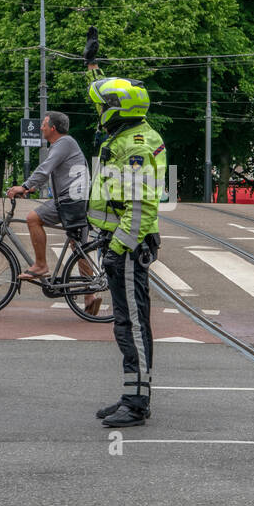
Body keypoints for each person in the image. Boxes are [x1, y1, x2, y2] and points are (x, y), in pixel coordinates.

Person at [88, 77, 167, 428]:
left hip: (129, 248)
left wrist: (118, 249)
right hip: (122, 244)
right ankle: (133, 394)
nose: (100, 112)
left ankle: (136, 404)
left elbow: (140, 208)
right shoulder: (127, 136)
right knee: (126, 323)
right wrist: (93, 68)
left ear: (118, 110)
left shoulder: (134, 146)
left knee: (132, 326)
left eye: (103, 107)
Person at [5, 112, 103, 315]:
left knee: (33, 218)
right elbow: (51, 171)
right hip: (78, 200)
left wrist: (24, 186)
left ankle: (40, 265)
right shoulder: (65, 144)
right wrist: (31, 188)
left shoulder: (63, 143)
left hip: (69, 200)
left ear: (53, 128)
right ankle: (90, 296)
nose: (40, 128)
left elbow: (45, 169)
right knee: (80, 247)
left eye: (43, 124)